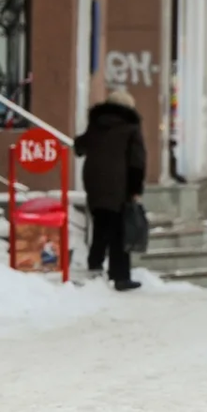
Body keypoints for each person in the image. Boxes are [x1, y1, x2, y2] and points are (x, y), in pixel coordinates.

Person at [74, 89, 146, 292]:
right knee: (120, 232)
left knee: (100, 227)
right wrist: (135, 189)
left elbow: (80, 147)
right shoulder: (131, 128)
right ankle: (121, 276)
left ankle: (95, 266)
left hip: (94, 183)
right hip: (118, 186)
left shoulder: (96, 125)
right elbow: (137, 162)